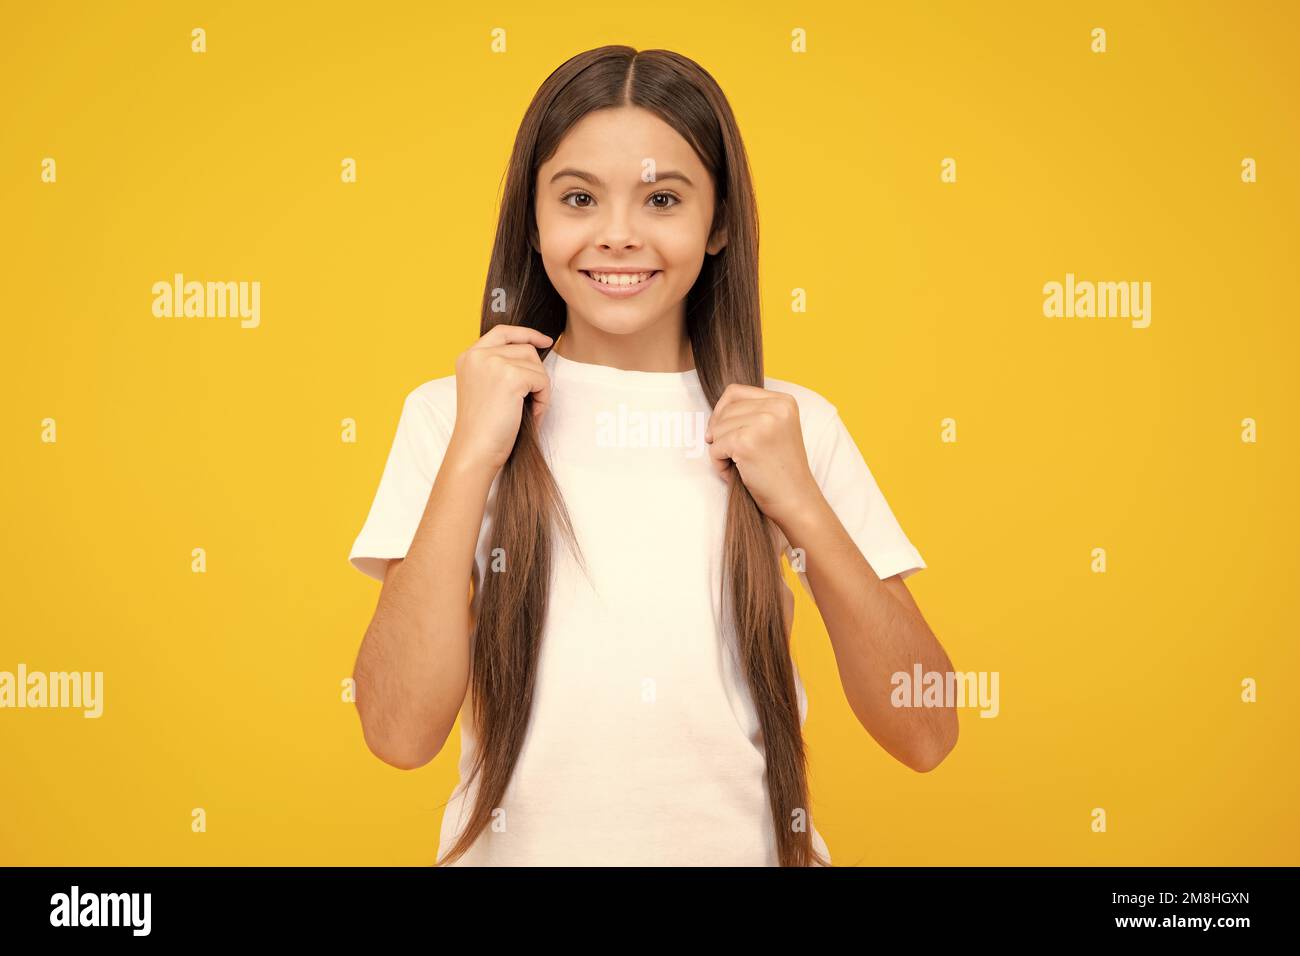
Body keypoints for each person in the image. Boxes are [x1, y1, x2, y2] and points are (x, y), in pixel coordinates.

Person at [348, 46, 957, 867]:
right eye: (578, 198)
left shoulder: (793, 425)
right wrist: (469, 459)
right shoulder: (448, 417)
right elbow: (397, 731)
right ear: (533, 220)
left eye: (663, 198)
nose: (618, 236)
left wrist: (802, 504)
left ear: (720, 224)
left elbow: (926, 731)